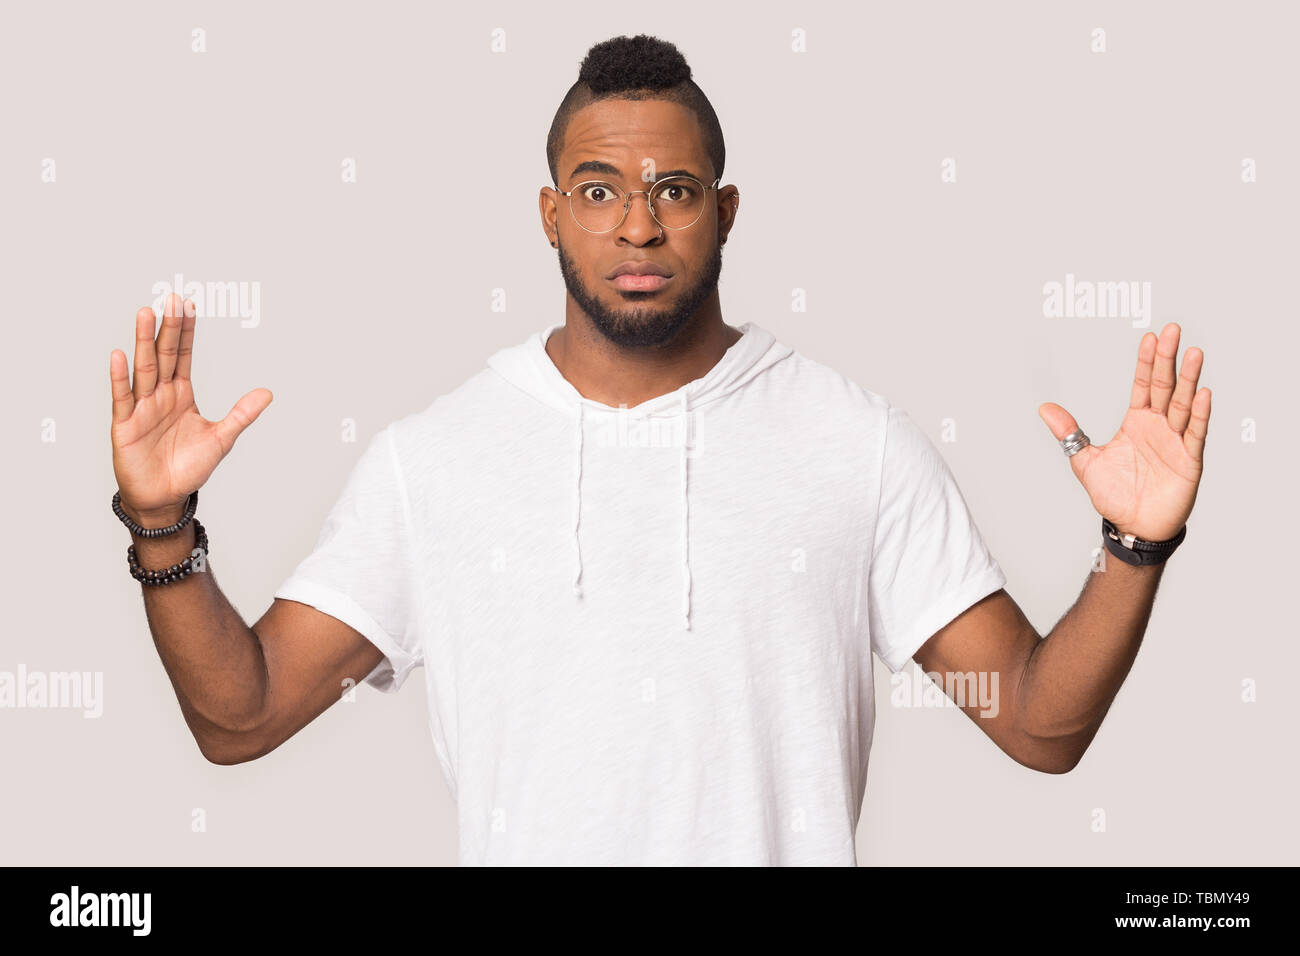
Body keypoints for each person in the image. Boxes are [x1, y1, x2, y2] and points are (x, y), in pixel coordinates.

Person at [108, 35, 1212, 866]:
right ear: (549, 214)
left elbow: (1033, 723)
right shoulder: (431, 460)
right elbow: (239, 715)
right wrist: (163, 522)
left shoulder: (855, 442)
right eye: (598, 191)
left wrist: (1133, 545)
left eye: (672, 191)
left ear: (724, 210)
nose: (637, 226)